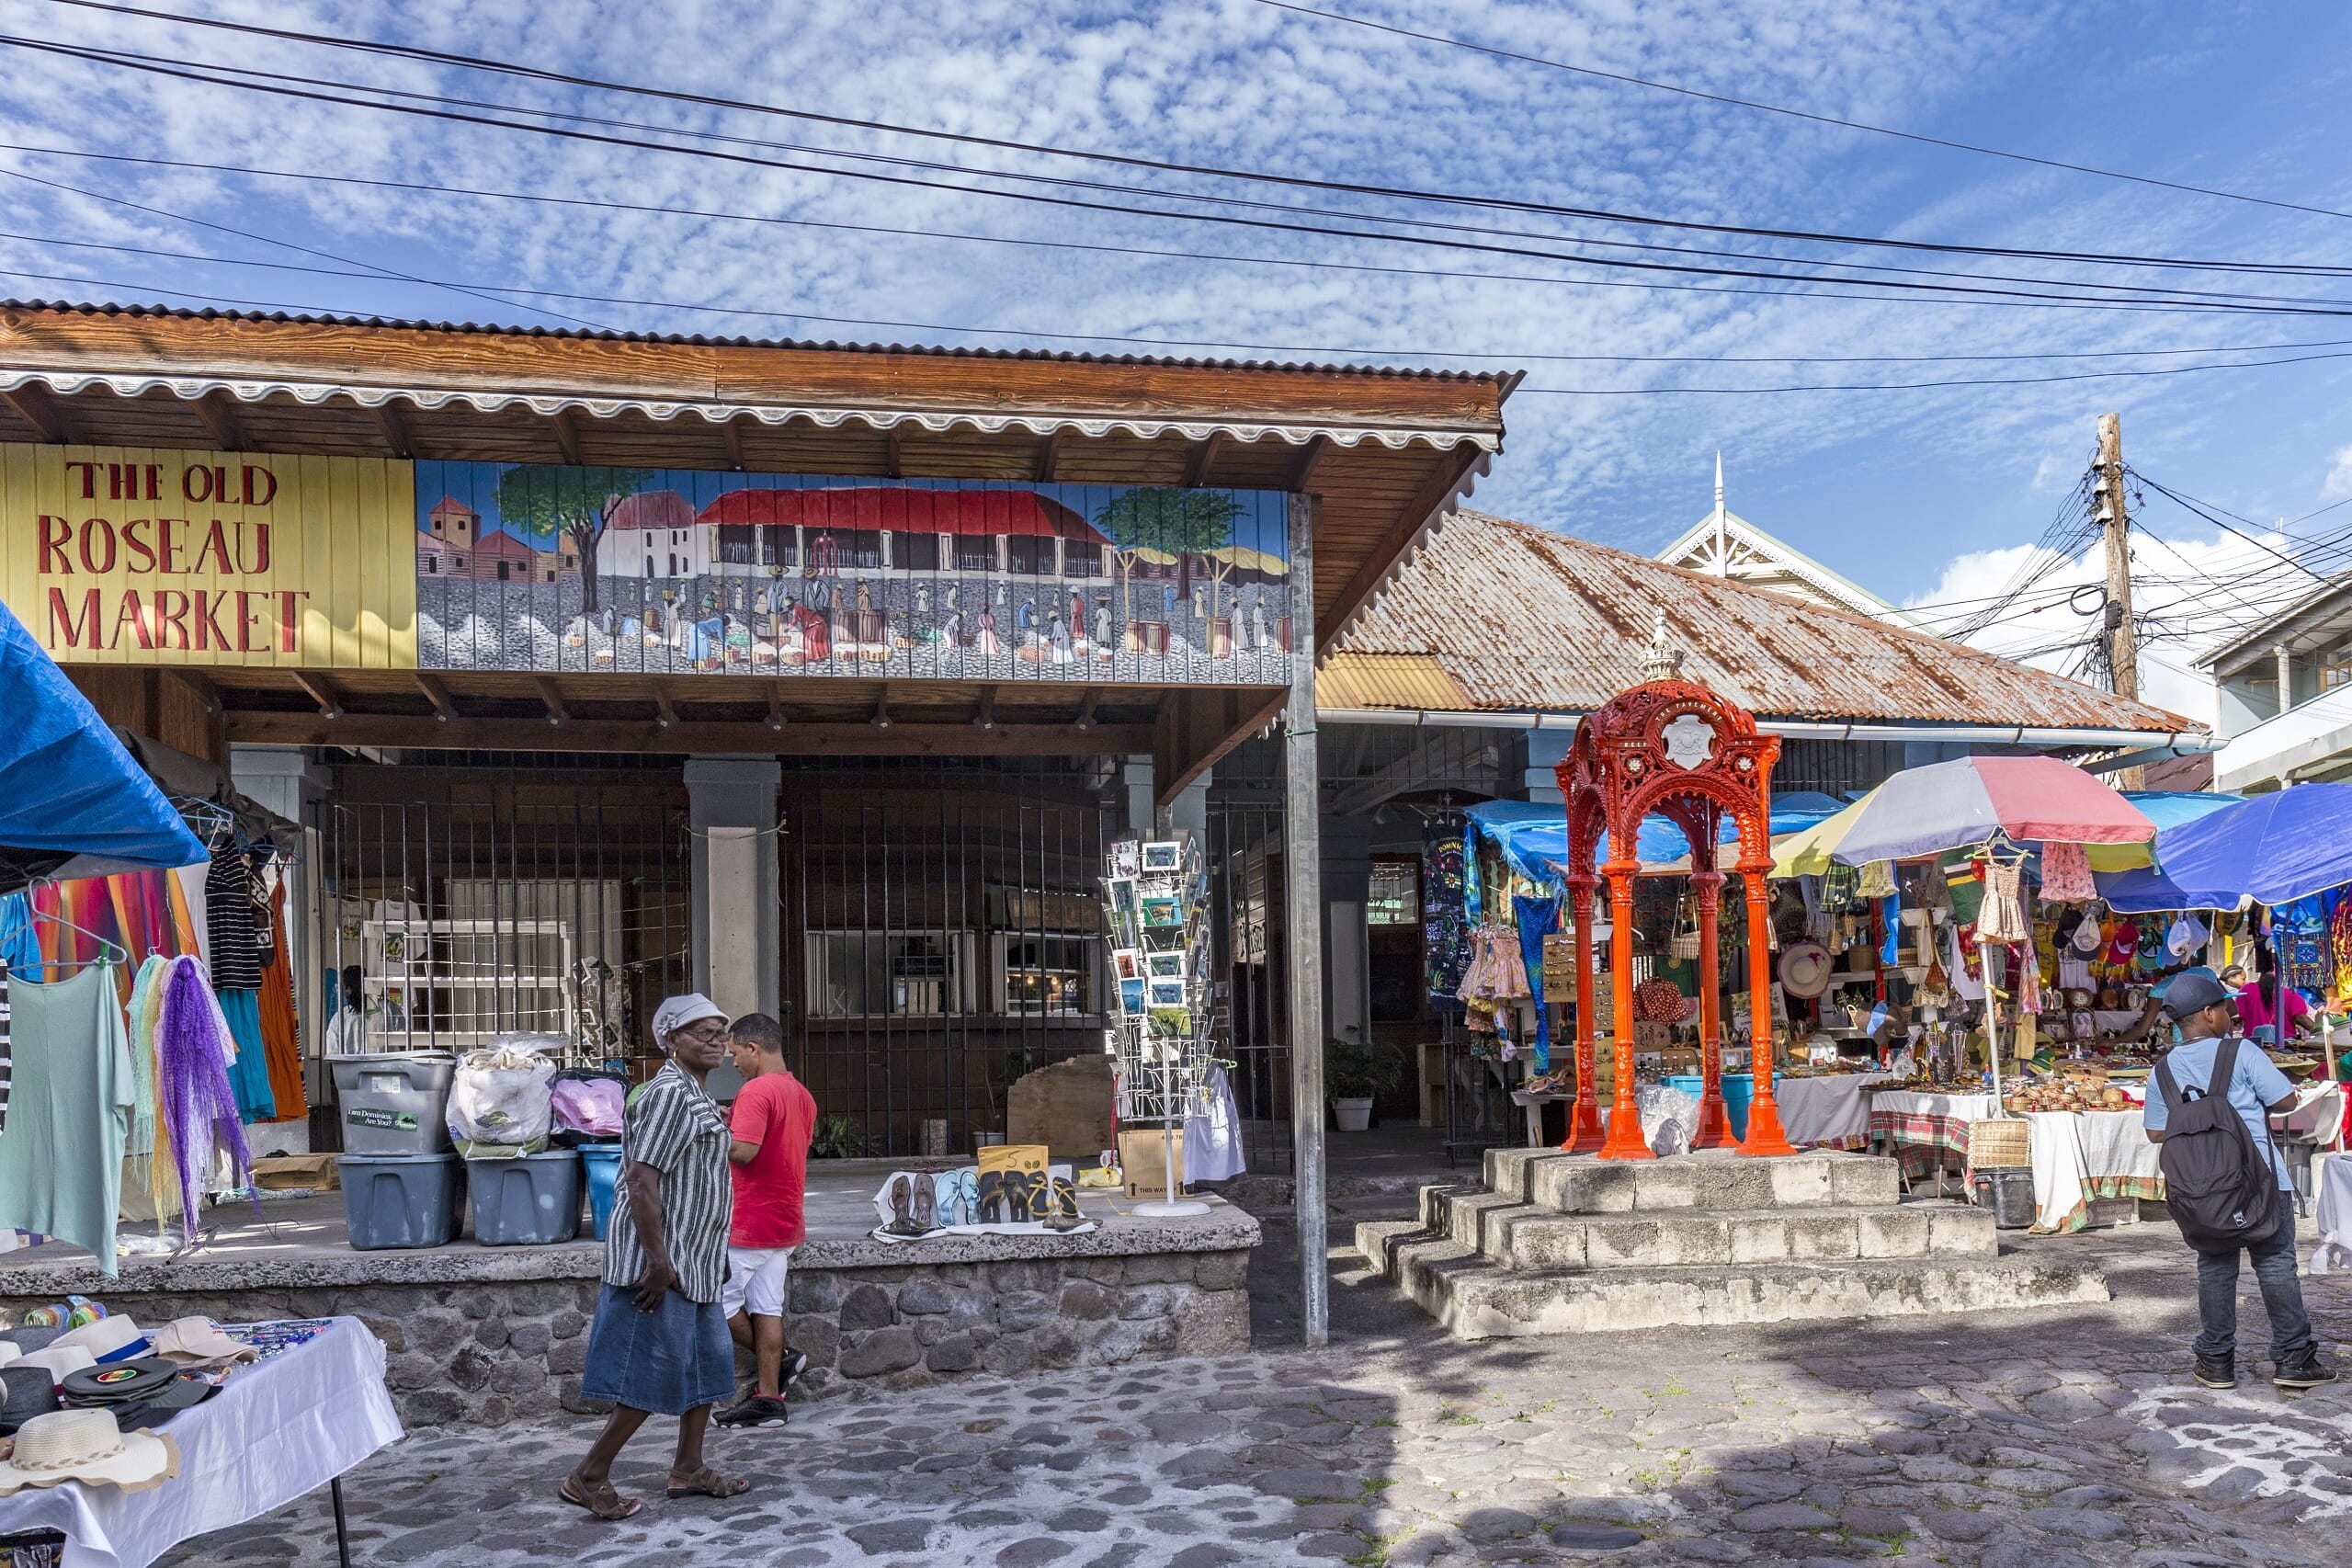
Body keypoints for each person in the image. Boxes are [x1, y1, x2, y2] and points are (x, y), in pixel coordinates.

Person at [562, 994, 748, 1520]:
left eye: (719, 1031)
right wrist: (659, 1263)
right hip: (661, 1265)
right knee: (648, 1377)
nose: (714, 1040)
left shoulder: (695, 1095)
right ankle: (588, 1475)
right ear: (670, 1040)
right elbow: (643, 1184)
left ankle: (689, 1467)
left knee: (709, 1368)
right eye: (700, 1032)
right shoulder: (668, 1094)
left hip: (698, 1261)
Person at [2142, 971, 2336, 1392]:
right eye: (2227, 1008)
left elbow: (2157, 1131)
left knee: (2214, 1267)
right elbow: (2285, 1101)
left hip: (2201, 1190)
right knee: (2276, 1264)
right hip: (2262, 1180)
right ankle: (2293, 1361)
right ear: (2209, 1013)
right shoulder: (2243, 1052)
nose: (2232, 1014)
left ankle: (2216, 1364)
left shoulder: (2162, 1070)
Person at [714, 1011, 818, 1429]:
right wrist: (732, 1123)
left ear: (754, 1049)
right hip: (784, 1221)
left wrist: (709, 1133)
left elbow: (744, 1152)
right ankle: (769, 1399)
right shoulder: (801, 1093)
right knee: (766, 1307)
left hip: (748, 1222)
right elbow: (777, 1144)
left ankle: (780, 1366)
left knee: (714, 1303)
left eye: (736, 1054)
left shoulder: (757, 1091)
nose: (734, 1063)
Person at [2226, 953, 2314, 1045]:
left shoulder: (2247, 989)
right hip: (2285, 1044)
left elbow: (2237, 1018)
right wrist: (2320, 1031)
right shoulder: (2289, 991)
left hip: (2254, 1044)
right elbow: (2300, 1017)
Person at [321, 966, 368, 1055]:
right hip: (386, 1068)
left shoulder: (340, 1018)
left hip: (349, 1068)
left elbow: (332, 1053)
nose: (347, 991)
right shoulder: (340, 1018)